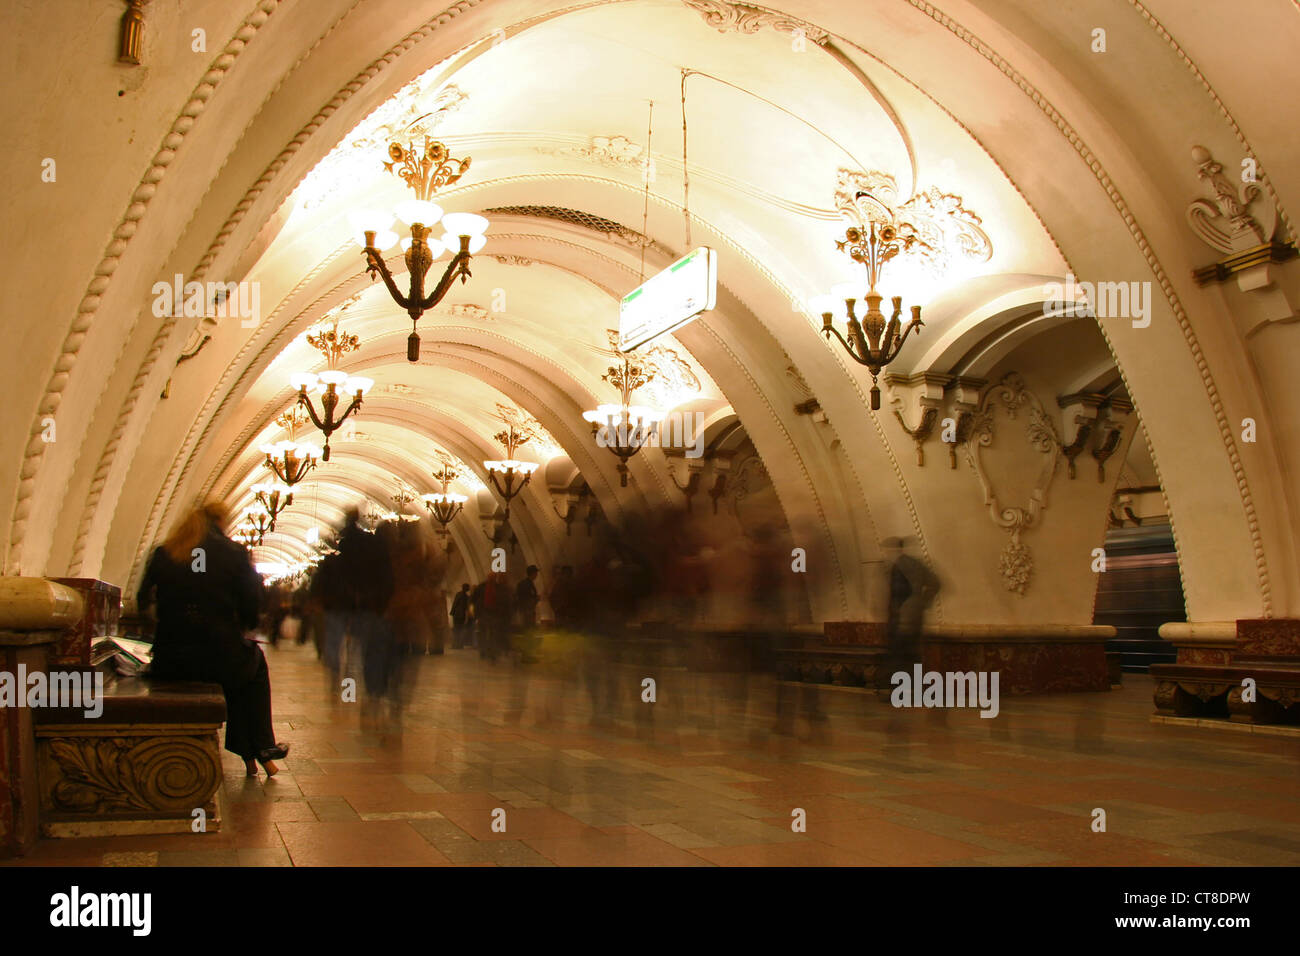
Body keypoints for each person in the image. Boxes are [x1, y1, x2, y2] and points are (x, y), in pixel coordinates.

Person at [136, 501, 289, 777]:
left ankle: (254, 751)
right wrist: (241, 627)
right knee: (251, 665)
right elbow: (252, 604)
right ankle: (259, 748)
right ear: (221, 523)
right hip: (219, 658)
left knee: (239, 662)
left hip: (170, 662)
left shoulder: (164, 552)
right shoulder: (233, 553)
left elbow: (141, 601)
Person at [450, 583, 471, 648]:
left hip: (457, 614)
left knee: (456, 630)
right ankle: (460, 644)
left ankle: (455, 644)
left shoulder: (458, 594)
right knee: (460, 630)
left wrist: (452, 612)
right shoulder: (467, 597)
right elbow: (467, 607)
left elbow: (455, 603)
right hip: (462, 615)